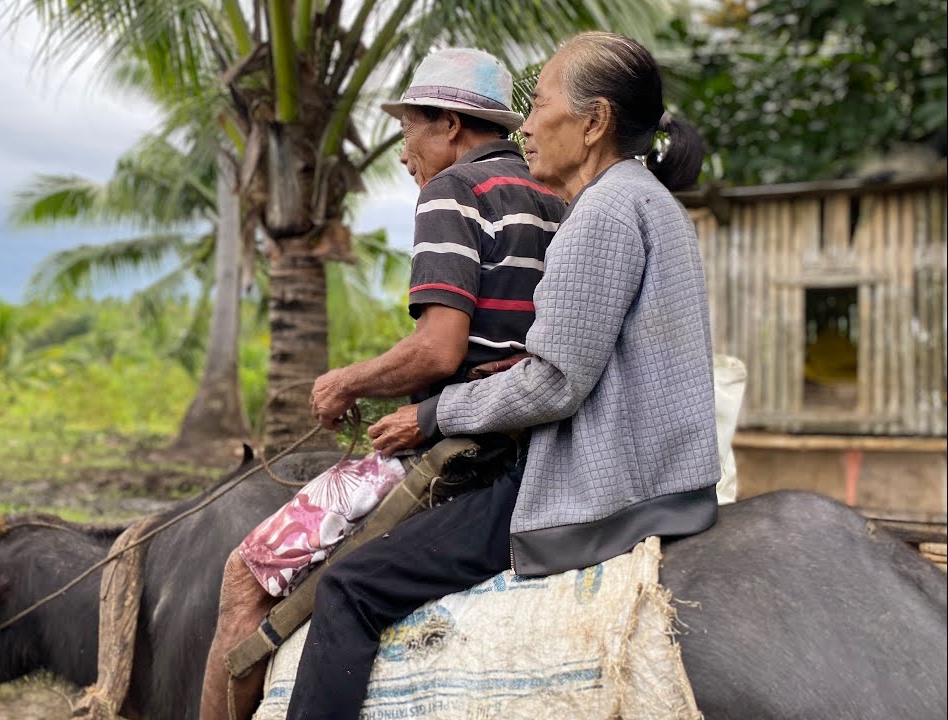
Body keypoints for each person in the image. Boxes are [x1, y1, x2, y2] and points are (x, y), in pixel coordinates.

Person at [283, 32, 722, 720]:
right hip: (663, 473)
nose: (527, 124)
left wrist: (432, 415)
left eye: (540, 102)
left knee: (348, 588)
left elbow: (553, 386)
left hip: (606, 489)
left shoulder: (601, 211)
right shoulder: (639, 201)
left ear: (594, 120)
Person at [199, 47, 566, 720]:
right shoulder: (559, 193)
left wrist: (347, 381)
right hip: (544, 445)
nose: (404, 154)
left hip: (461, 449)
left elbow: (437, 350)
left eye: (408, 131)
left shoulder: (454, 192)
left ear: (449, 125)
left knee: (247, 573)